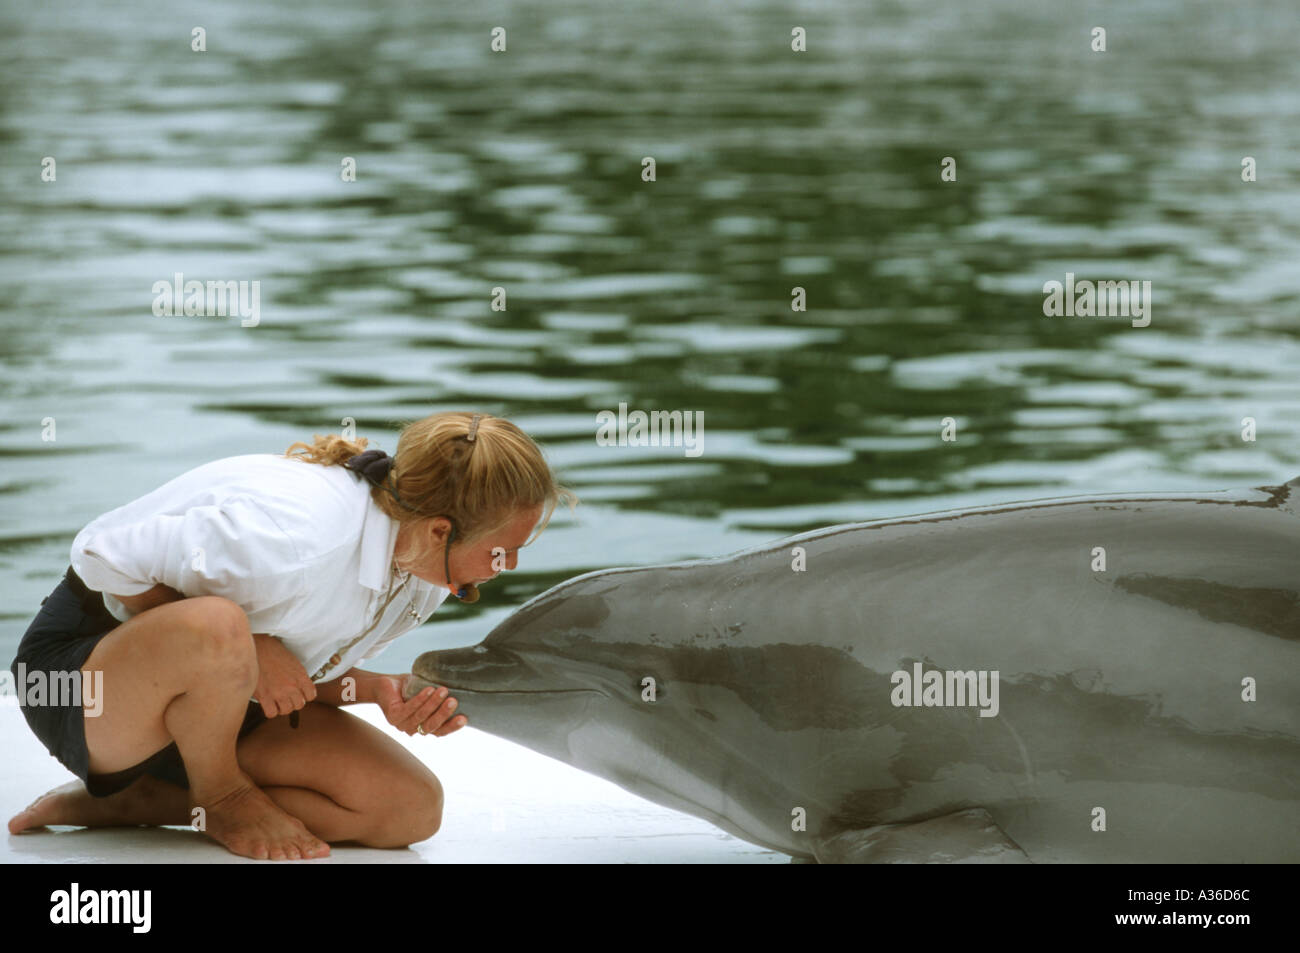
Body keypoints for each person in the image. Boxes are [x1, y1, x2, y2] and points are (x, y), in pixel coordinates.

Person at [7, 411, 575, 860]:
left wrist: (379, 691)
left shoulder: (421, 571)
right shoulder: (296, 538)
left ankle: (147, 800)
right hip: (80, 682)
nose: (512, 563)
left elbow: (292, 675)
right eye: (507, 547)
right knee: (219, 626)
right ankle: (221, 795)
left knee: (409, 809)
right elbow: (99, 556)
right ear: (440, 529)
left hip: (212, 705)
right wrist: (252, 646)